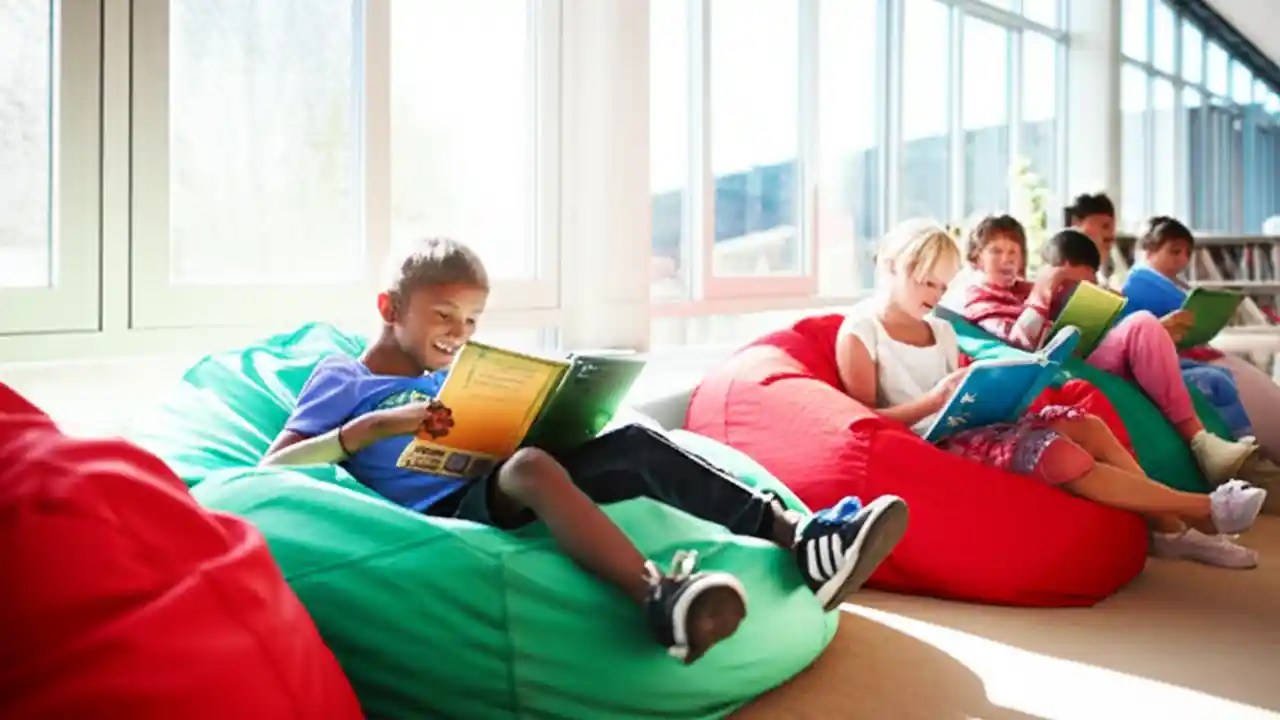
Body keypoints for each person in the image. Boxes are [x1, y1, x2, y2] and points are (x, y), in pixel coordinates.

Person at [261, 237, 909, 665]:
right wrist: (374, 428)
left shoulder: (449, 373)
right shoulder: (344, 380)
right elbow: (271, 470)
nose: (458, 334)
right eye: (444, 316)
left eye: (472, 321)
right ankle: (661, 599)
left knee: (632, 444)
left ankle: (800, 537)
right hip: (447, 506)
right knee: (530, 467)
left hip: (497, 473)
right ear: (390, 307)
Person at [837, 219, 1266, 569]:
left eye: (942, 287)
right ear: (891, 267)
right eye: (926, 283)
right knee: (1063, 455)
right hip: (933, 442)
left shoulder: (942, 330)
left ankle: (1170, 531)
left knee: (1089, 426)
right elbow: (861, 419)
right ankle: (1201, 508)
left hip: (972, 425)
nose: (935, 296)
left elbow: (960, 396)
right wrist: (933, 400)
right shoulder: (862, 332)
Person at [961, 217, 1258, 487]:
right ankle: (1202, 444)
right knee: (1154, 334)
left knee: (1143, 323)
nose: (1007, 259)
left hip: (1081, 353)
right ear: (976, 258)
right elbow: (1019, 344)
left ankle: (1201, 439)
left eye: (1013, 252)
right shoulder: (981, 299)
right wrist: (1042, 293)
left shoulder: (1022, 288)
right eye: (996, 251)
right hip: (1062, 366)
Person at [1124, 216, 1280, 471]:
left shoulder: (1169, 282)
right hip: (1159, 358)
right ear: (1150, 249)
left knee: (1224, 378)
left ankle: (1245, 447)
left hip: (1181, 352)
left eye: (1187, 254)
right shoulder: (1143, 281)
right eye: (1174, 252)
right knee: (1217, 380)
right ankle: (1241, 448)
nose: (1182, 260)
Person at [1064, 192, 1118, 283]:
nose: (1111, 236)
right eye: (1105, 226)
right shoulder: (1061, 274)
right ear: (1076, 223)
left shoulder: (1105, 278)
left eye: (1113, 229)